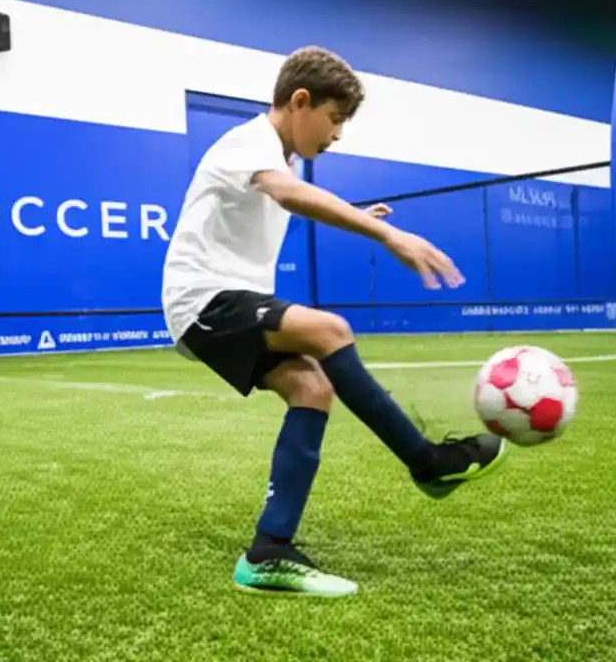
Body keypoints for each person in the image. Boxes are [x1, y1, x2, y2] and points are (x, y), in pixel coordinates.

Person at [161, 46, 510, 597]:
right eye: (336, 118)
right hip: (203, 299)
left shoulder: (280, 158)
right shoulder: (248, 142)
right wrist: (386, 234)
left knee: (312, 388)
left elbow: (285, 194)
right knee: (332, 331)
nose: (339, 135)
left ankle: (269, 551)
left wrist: (361, 215)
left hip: (226, 299)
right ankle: (427, 461)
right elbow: (289, 194)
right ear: (301, 102)